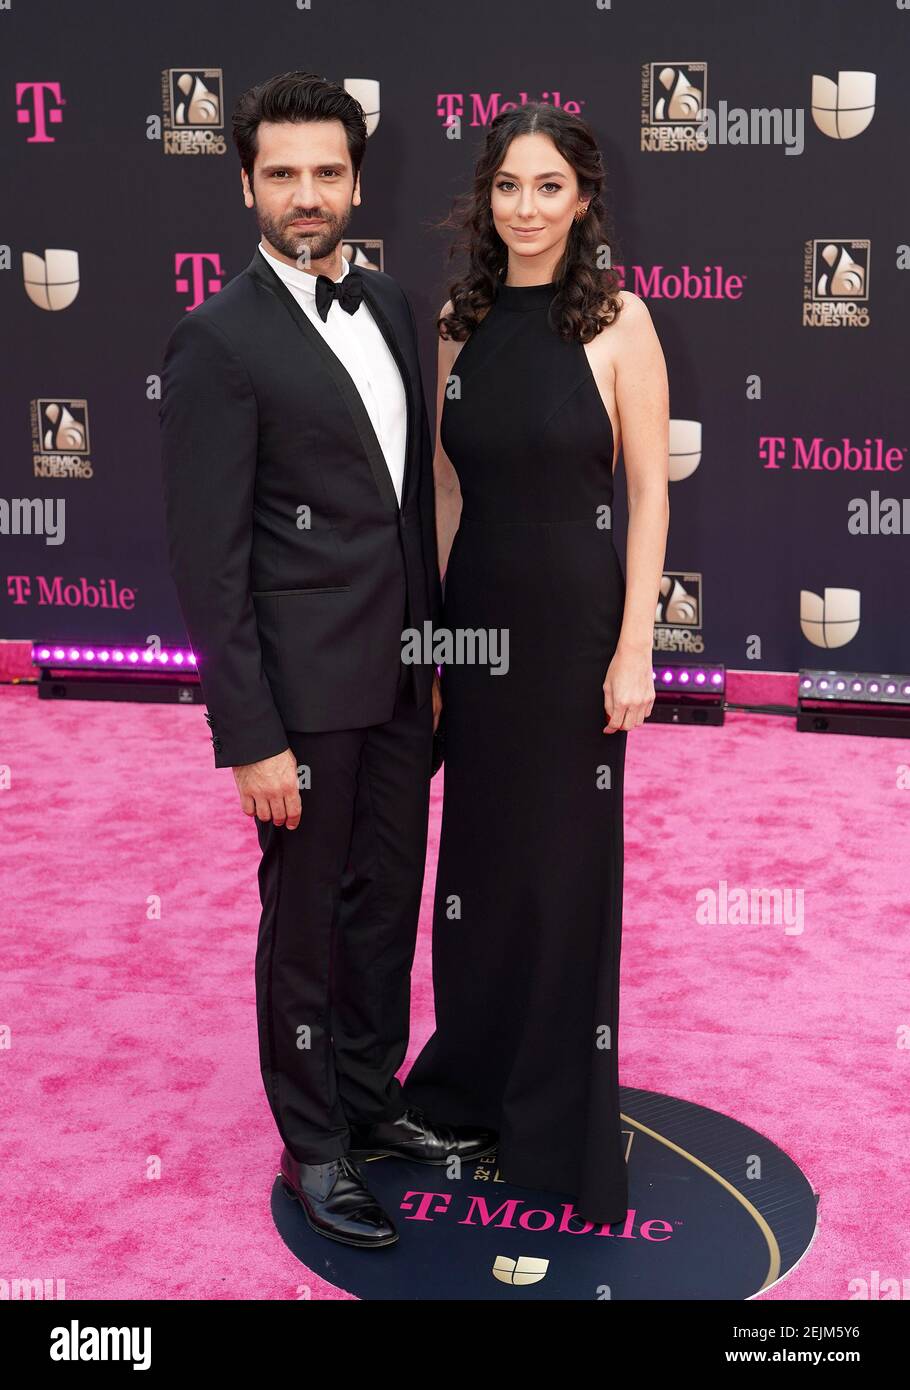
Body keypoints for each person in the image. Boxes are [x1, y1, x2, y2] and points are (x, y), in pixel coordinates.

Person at [158, 71, 496, 1251]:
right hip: (299, 704)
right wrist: (250, 735)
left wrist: (437, 658)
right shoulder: (214, 342)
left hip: (403, 684)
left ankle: (369, 1100)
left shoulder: (396, 307)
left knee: (382, 911)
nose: (308, 196)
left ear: (357, 179)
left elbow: (409, 512)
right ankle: (313, 1146)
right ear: (245, 182)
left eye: (327, 172)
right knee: (303, 930)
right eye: (283, 173)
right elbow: (210, 565)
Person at [401, 103, 670, 1226]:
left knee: (562, 871)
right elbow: (450, 495)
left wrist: (634, 648)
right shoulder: (460, 321)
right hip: (481, 622)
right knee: (477, 862)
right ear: (487, 197)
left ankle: (555, 1119)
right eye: (508, 186)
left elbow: (650, 490)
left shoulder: (620, 320)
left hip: (571, 630)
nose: (524, 208)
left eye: (547, 186)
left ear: (582, 198)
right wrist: (439, 649)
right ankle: (465, 1087)